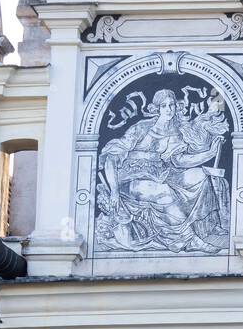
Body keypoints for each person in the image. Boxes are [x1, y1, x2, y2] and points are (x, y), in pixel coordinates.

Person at [99, 90, 231, 254]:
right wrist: (114, 191)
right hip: (131, 180)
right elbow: (112, 157)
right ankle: (188, 239)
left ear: (176, 107)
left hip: (161, 175)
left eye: (171, 105)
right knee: (164, 191)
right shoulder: (141, 128)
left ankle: (208, 226)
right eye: (164, 106)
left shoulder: (176, 133)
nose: (169, 109)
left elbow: (180, 161)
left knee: (200, 175)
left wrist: (209, 154)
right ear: (157, 108)